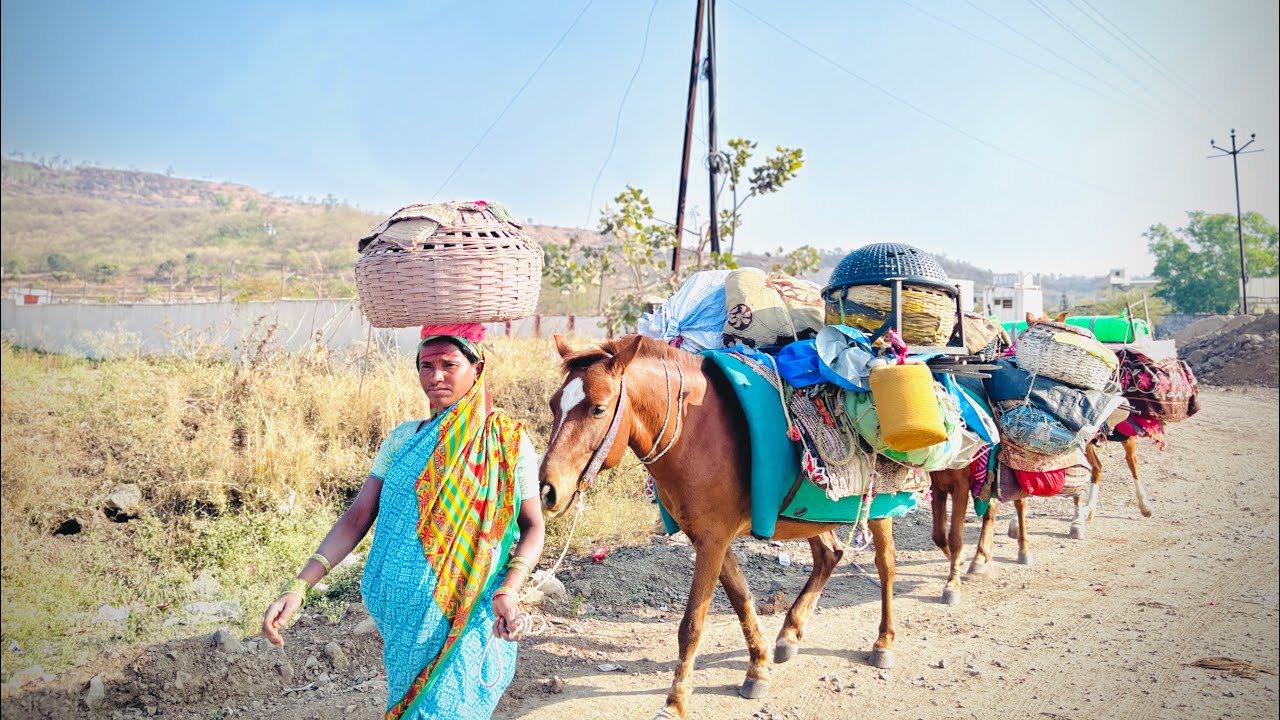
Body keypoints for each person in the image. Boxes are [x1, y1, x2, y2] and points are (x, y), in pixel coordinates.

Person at [261, 323, 545, 719]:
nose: (436, 376)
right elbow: (357, 517)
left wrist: (509, 591)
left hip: (469, 615)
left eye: (449, 364)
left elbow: (533, 527)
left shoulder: (507, 441)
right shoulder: (403, 439)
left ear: (478, 368)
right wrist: (299, 586)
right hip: (403, 627)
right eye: (426, 366)